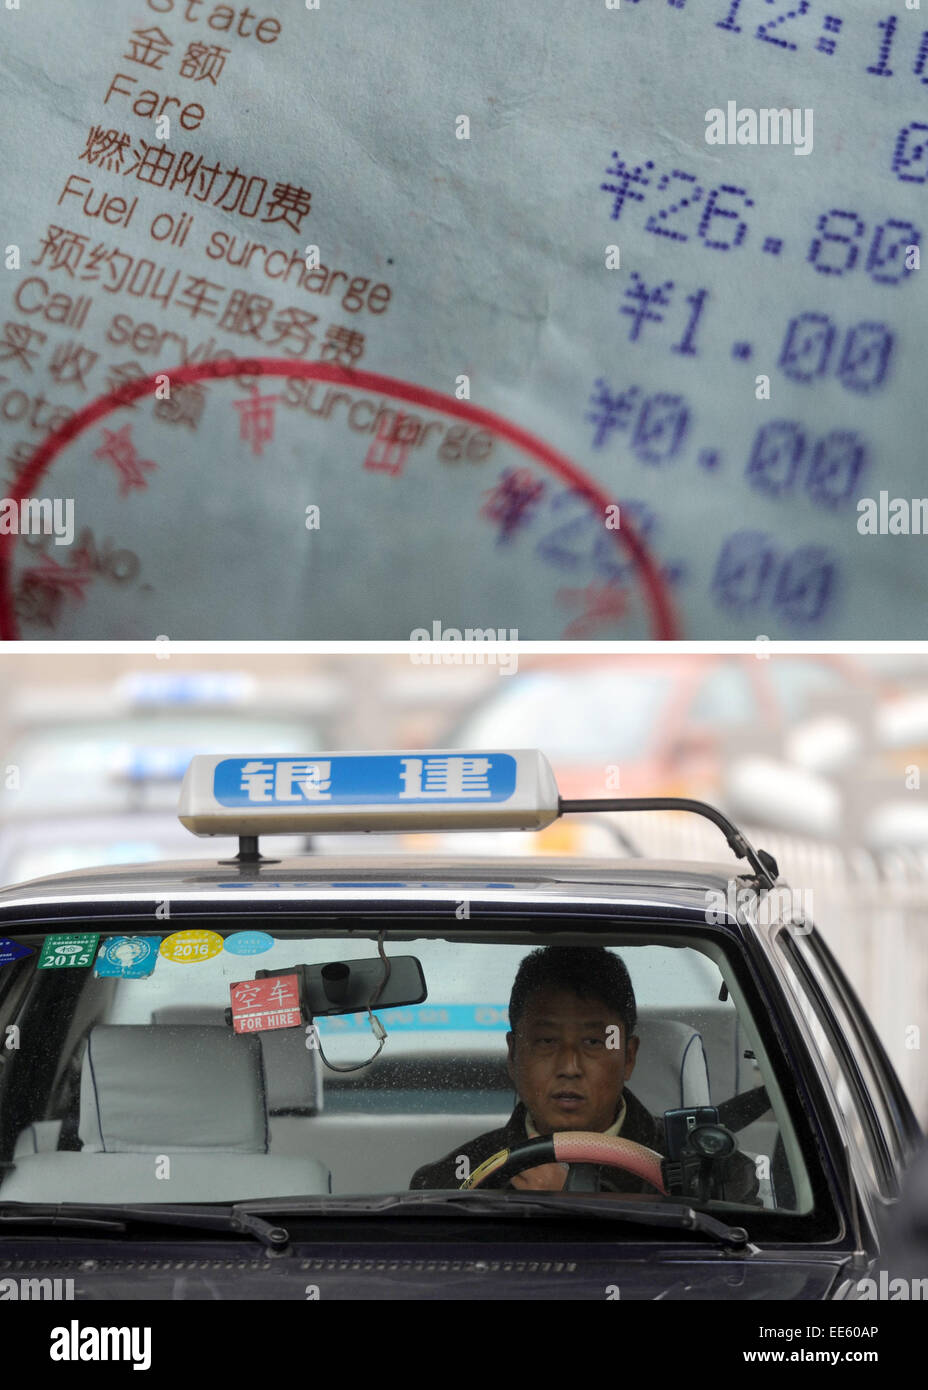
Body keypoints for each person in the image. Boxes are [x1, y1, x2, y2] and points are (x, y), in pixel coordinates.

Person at [409, 945, 758, 1201]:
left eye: (593, 1042)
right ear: (514, 1056)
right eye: (546, 1041)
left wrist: (570, 1199)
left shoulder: (717, 1179)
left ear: (629, 1057)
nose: (570, 1068)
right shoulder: (449, 1182)